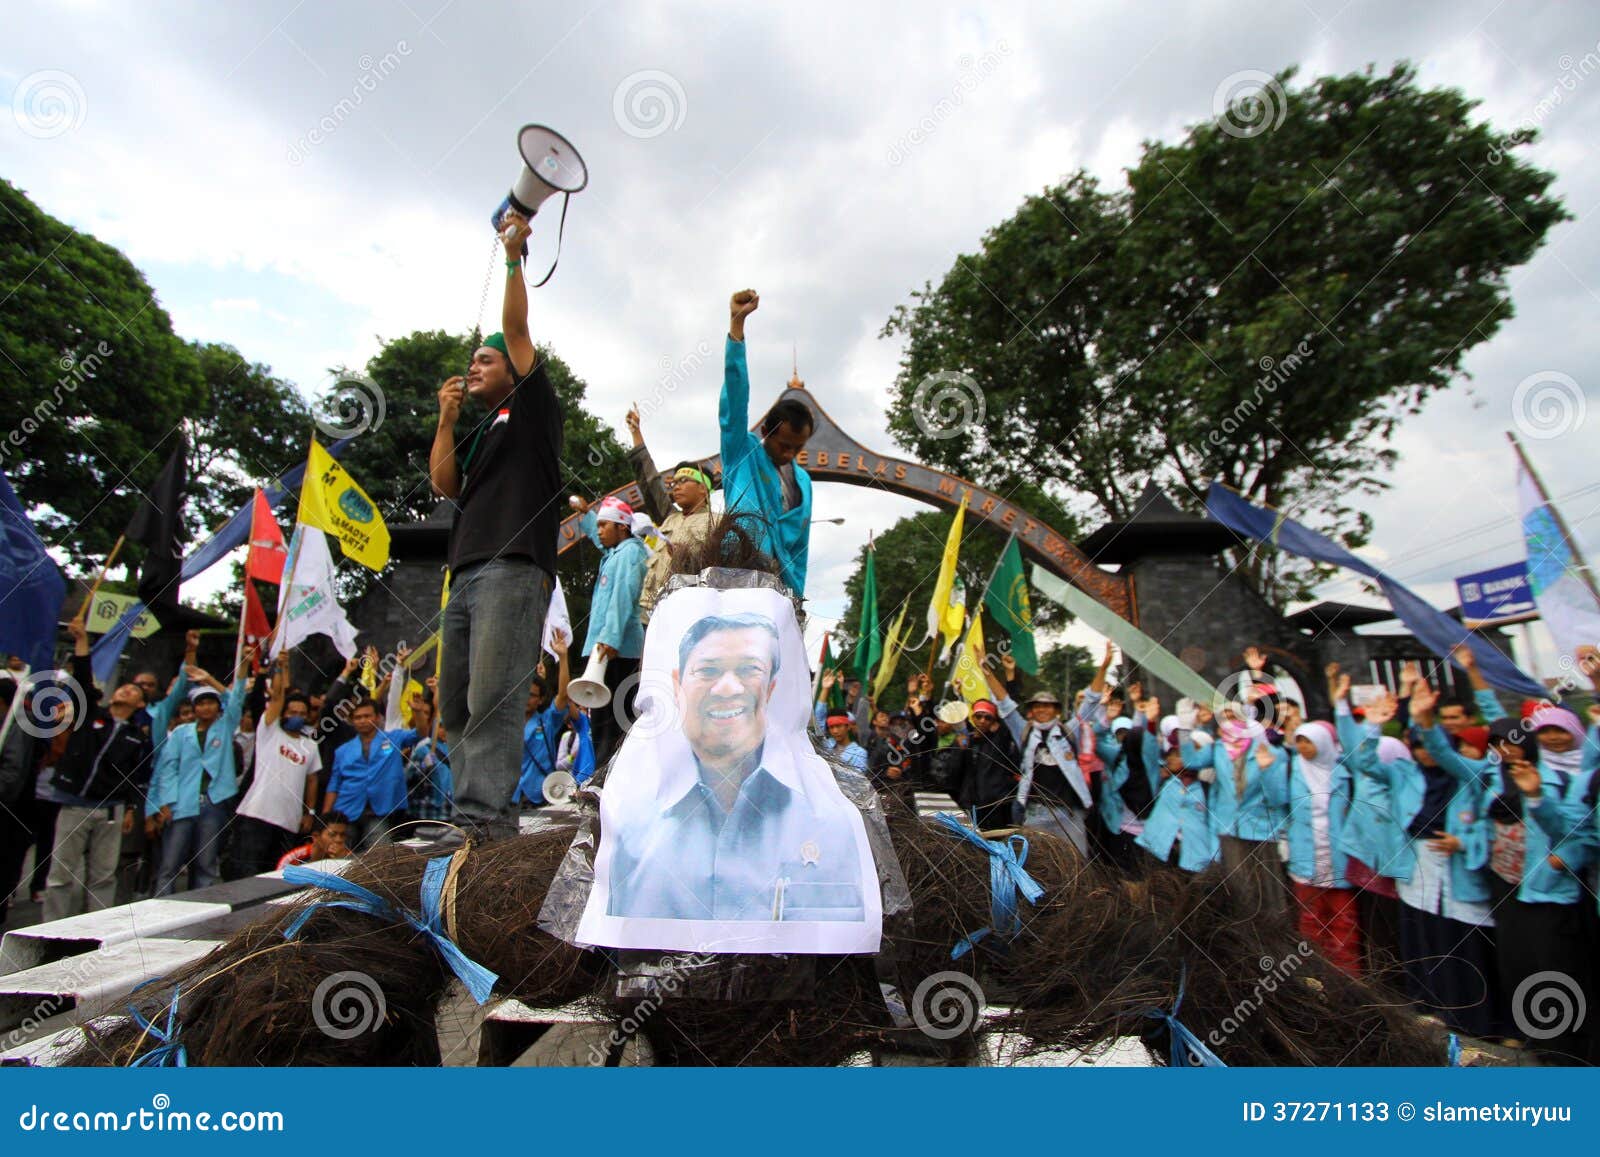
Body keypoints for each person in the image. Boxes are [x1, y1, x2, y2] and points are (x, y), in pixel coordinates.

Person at [430, 207, 562, 842]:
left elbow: (515, 327)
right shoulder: (483, 433)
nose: (475, 366)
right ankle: (478, 815)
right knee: (453, 700)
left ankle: (481, 822)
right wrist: (447, 422)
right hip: (467, 572)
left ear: (514, 369)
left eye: (488, 360)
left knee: (494, 698)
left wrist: (513, 257)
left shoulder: (532, 410)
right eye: (473, 361)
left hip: (514, 568)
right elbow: (445, 484)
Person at [602, 611, 865, 922]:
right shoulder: (627, 820)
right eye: (707, 670)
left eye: (749, 669)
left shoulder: (830, 825)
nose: (727, 688)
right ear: (677, 684)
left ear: (771, 688)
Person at [1355, 687, 1500, 1039]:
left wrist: (1425, 721)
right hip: (1417, 864)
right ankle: (1435, 1005)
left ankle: (1479, 1019)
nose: (1425, 753)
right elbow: (1361, 762)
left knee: (1466, 940)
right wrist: (1371, 727)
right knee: (1426, 934)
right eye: (1417, 746)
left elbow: (1486, 822)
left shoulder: (1468, 776)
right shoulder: (1406, 773)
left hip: (1459, 867)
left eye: (1429, 745)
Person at [36, 616, 156, 921]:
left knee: (103, 875)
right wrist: (81, 642)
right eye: (124, 688)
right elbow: (84, 682)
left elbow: (136, 777)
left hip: (110, 811)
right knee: (61, 873)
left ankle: (95, 929)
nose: (126, 691)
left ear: (140, 705)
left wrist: (130, 808)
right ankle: (52, 929)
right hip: (74, 804)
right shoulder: (90, 716)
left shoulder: (136, 737)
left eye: (133, 692)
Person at [719, 289, 813, 595]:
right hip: (738, 573)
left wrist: (796, 592)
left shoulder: (804, 482)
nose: (788, 453)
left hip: (782, 589)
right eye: (783, 444)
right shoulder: (741, 452)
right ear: (765, 434)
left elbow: (801, 546)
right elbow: (735, 399)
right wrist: (737, 326)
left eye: (797, 448)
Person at [147, 651, 251, 897]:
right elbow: (167, 769)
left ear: (217, 707)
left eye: (211, 702)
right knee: (170, 862)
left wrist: (210, 678)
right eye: (201, 703)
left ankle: (200, 909)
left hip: (214, 801)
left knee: (206, 862)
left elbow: (235, 699)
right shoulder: (182, 732)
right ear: (194, 708)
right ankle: (160, 908)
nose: (206, 707)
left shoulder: (224, 727)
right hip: (182, 802)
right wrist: (164, 803)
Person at [1269, 713, 1361, 976]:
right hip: (1305, 857)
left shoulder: (1345, 772)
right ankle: (1316, 975)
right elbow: (1278, 801)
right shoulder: (1292, 769)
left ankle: (1348, 976)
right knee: (1310, 920)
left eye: (1308, 742)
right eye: (1299, 742)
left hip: (1338, 859)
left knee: (1344, 921)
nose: (1302, 748)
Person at [572, 495, 649, 768]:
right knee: (603, 718)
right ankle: (604, 775)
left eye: (605, 525)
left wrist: (611, 638)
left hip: (617, 650)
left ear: (623, 527)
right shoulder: (614, 553)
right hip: (604, 648)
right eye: (599, 525)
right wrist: (586, 514)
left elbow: (622, 598)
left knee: (617, 717)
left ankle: (616, 776)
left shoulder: (631, 552)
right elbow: (595, 535)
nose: (600, 531)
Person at [230, 659, 321, 877]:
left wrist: (310, 811)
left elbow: (312, 780)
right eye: (292, 711)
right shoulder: (270, 732)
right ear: (283, 713)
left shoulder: (310, 745)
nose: (296, 716)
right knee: (247, 873)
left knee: (276, 875)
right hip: (257, 814)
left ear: (308, 716)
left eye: (301, 712)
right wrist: (280, 668)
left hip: (288, 821)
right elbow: (277, 698)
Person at [624, 406, 716, 622]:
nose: (676, 487)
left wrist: (688, 558)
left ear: (703, 488)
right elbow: (649, 482)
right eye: (674, 483)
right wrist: (636, 433)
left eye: (684, 481)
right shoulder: (669, 518)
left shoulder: (717, 524)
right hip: (654, 615)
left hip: (692, 615)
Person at [323, 699, 416, 852]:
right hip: (347, 811)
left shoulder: (394, 738)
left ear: (378, 717)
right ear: (352, 721)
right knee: (339, 854)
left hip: (379, 811)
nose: (363, 721)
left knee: (381, 855)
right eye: (358, 717)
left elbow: (420, 733)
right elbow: (334, 784)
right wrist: (326, 817)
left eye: (367, 716)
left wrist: (417, 712)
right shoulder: (343, 750)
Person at [517, 629, 591, 804]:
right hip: (512, 797)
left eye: (532, 695)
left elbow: (563, 696)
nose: (527, 699)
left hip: (540, 796)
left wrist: (563, 658)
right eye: (524, 694)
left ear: (541, 699)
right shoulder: (507, 724)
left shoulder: (547, 721)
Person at [1136, 723, 1219, 871]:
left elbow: (1214, 826)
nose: (1175, 757)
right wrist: (1150, 722)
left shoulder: (1207, 789)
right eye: (1176, 753)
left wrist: (1215, 857)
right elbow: (1148, 753)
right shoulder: (1162, 780)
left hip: (1194, 858)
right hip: (1158, 851)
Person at [276, 813, 351, 870]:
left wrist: (341, 861)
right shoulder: (292, 858)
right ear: (316, 837)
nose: (339, 840)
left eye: (343, 835)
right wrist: (314, 860)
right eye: (332, 835)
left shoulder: (350, 857)